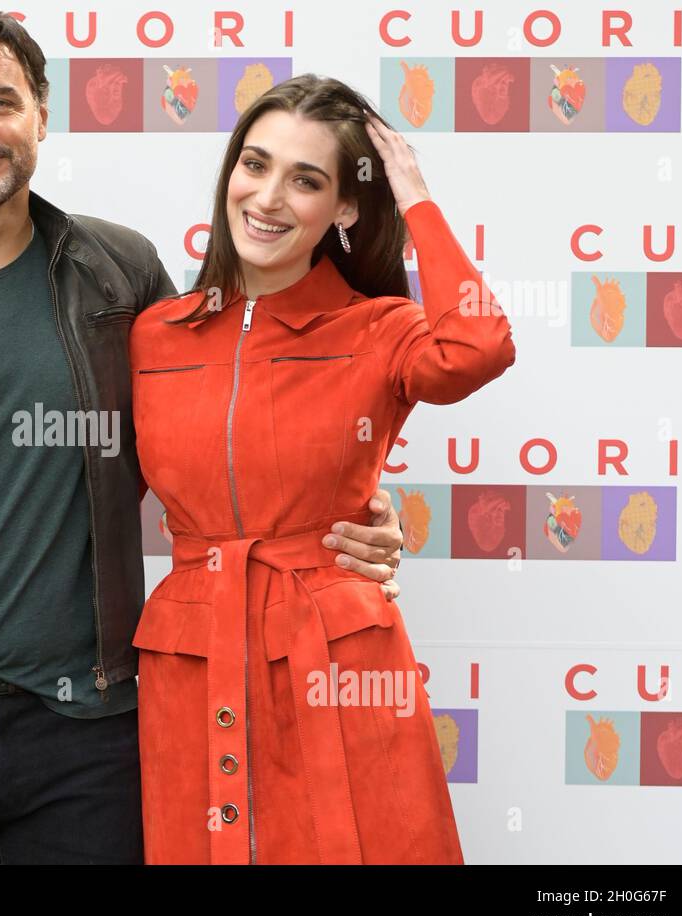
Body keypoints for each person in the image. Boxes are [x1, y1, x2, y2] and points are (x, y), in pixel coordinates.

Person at [0, 6, 404, 866]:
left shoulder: (121, 275)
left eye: (1, 99)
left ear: (41, 115)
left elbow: (228, 427)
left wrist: (349, 514)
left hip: (92, 735)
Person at [127, 74, 517, 864]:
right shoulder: (156, 333)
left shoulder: (380, 329)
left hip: (338, 657)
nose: (267, 197)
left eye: (305, 180)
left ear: (345, 208)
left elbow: (479, 348)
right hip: (191, 654)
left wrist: (414, 198)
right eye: (254, 165)